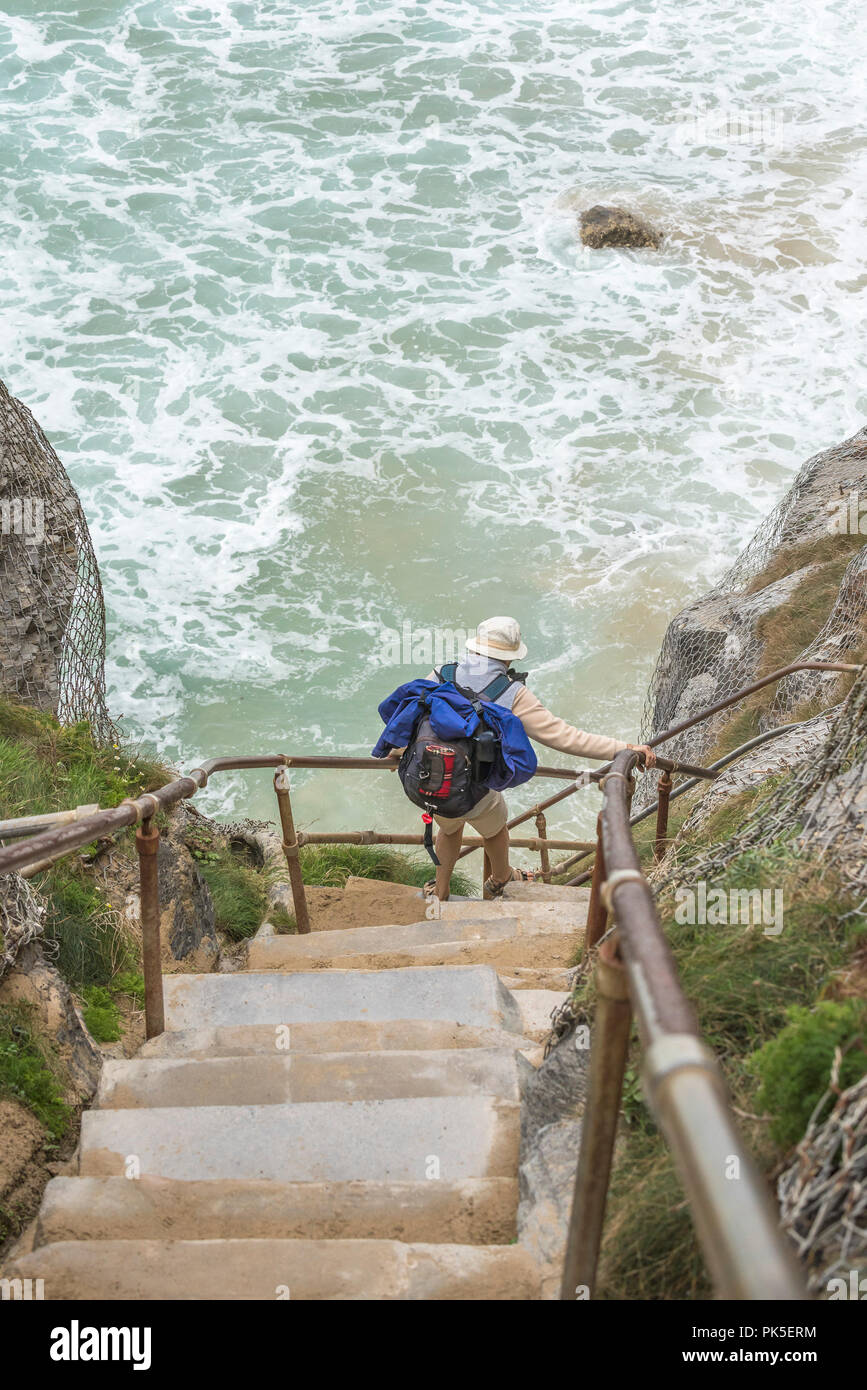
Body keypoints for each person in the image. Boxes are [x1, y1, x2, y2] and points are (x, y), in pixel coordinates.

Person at [423, 616, 656, 900]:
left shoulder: (442, 673)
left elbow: (410, 715)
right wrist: (624, 747)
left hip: (433, 778)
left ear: (475, 648)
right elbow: (564, 736)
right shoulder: (511, 693)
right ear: (509, 658)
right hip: (472, 787)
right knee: (495, 829)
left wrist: (394, 752)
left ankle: (441, 893)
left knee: (449, 829)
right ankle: (499, 880)